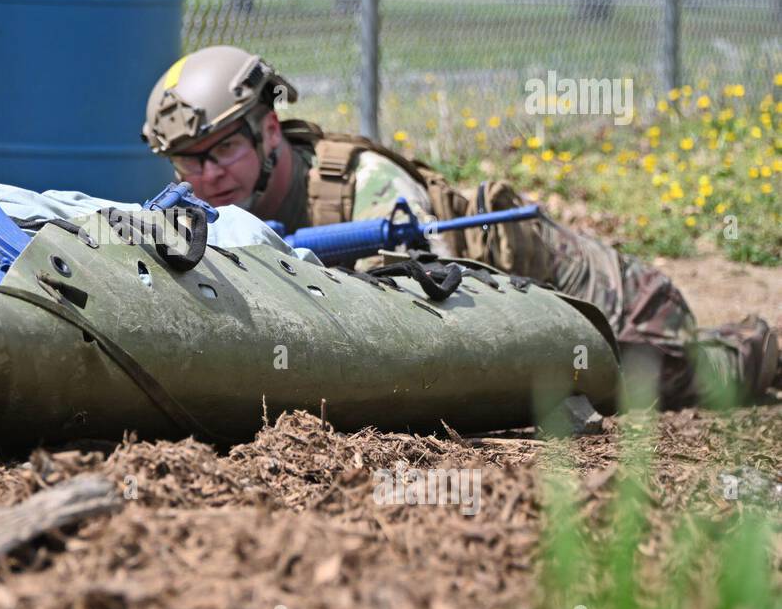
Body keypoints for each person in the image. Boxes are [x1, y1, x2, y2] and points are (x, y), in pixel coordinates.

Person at [142, 45, 780, 408]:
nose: (207, 176)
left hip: (605, 297)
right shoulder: (204, 212)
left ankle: (766, 346)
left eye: (222, 150)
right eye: (188, 162)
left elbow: (433, 313)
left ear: (269, 129)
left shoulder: (364, 189)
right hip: (527, 307)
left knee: (660, 380)